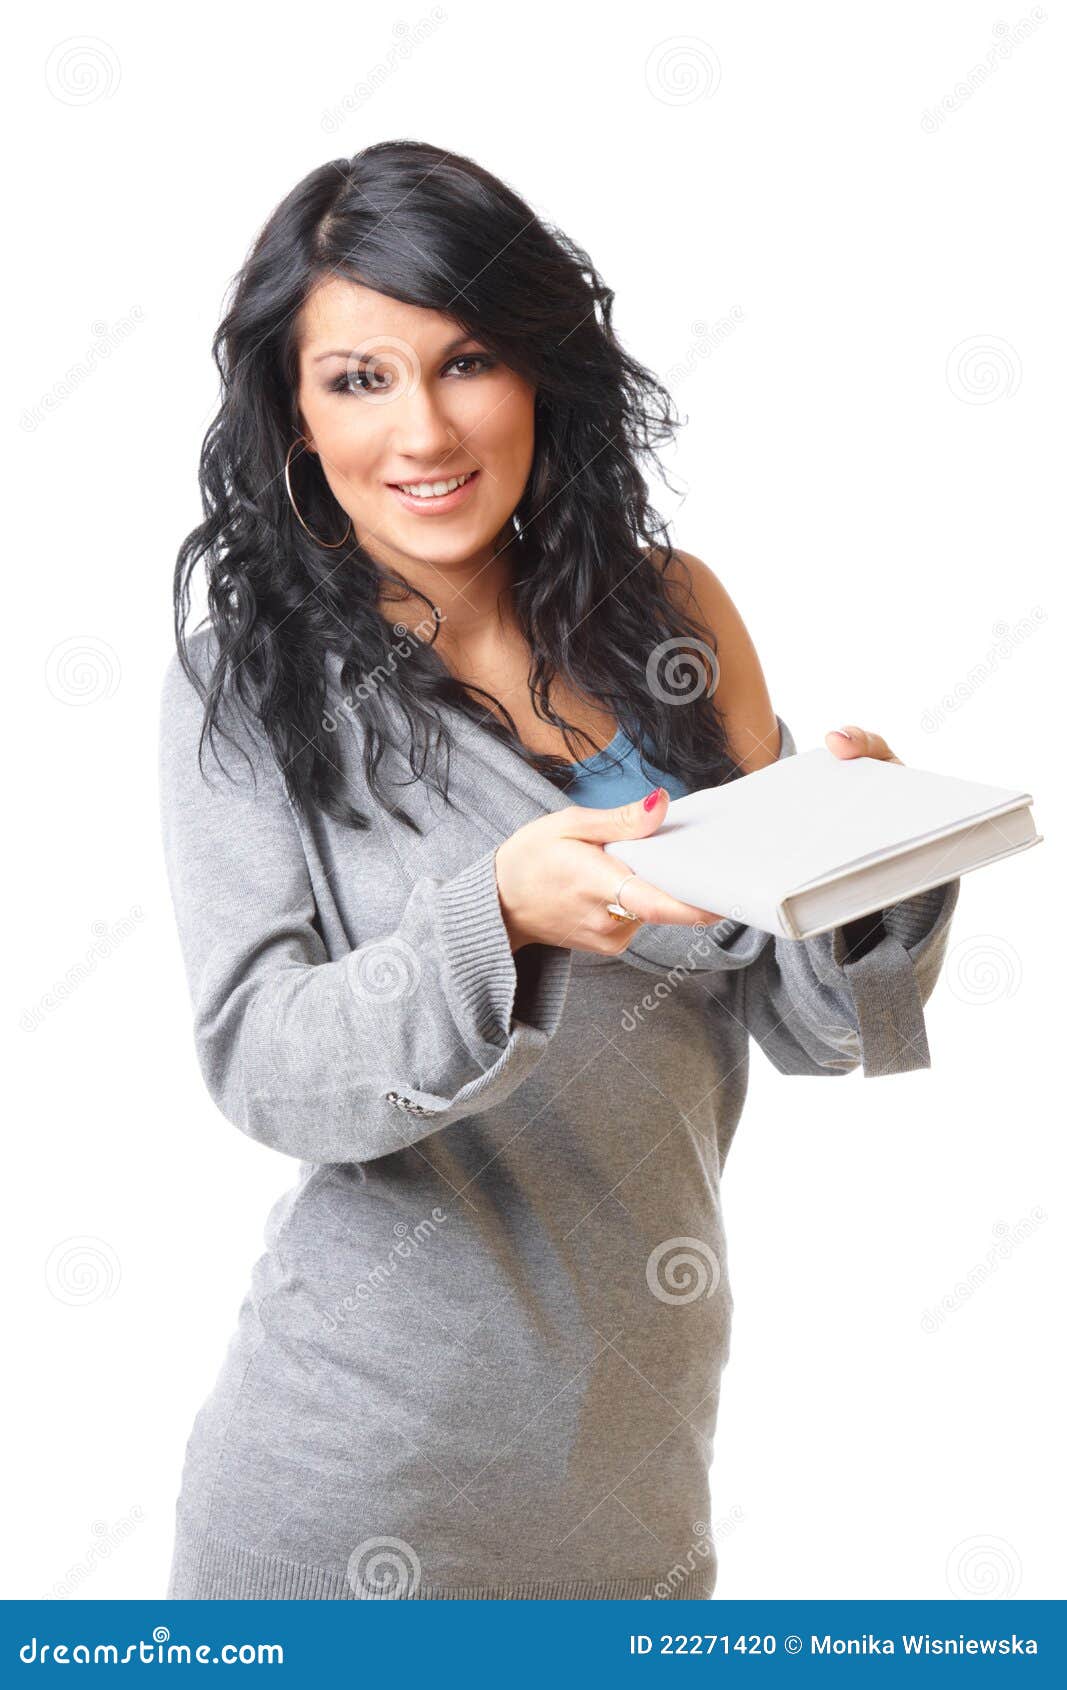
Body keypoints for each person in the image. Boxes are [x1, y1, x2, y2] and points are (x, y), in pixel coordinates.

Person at [159, 140, 960, 1601]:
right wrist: (498, 921)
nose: (422, 430)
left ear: (539, 373)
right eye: (358, 378)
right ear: (294, 412)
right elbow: (261, 1062)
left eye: (465, 361)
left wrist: (866, 862)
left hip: (633, 1472)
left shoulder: (672, 613)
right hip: (348, 1487)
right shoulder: (249, 688)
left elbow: (818, 1025)